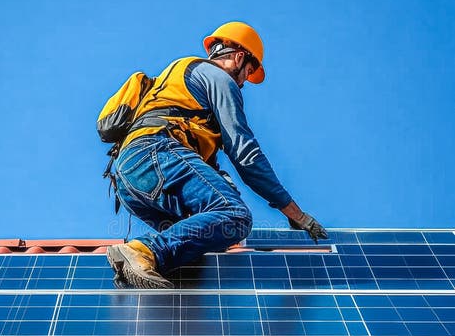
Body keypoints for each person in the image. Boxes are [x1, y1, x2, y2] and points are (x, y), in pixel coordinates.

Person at [106, 21, 328, 288]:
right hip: (156, 154)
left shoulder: (181, 81)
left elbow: (198, 160)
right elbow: (245, 153)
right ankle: (141, 251)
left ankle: (140, 271)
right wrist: (296, 214)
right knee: (234, 215)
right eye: (248, 72)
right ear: (239, 57)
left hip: (130, 178)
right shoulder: (218, 77)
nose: (243, 82)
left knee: (204, 237)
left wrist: (222, 179)